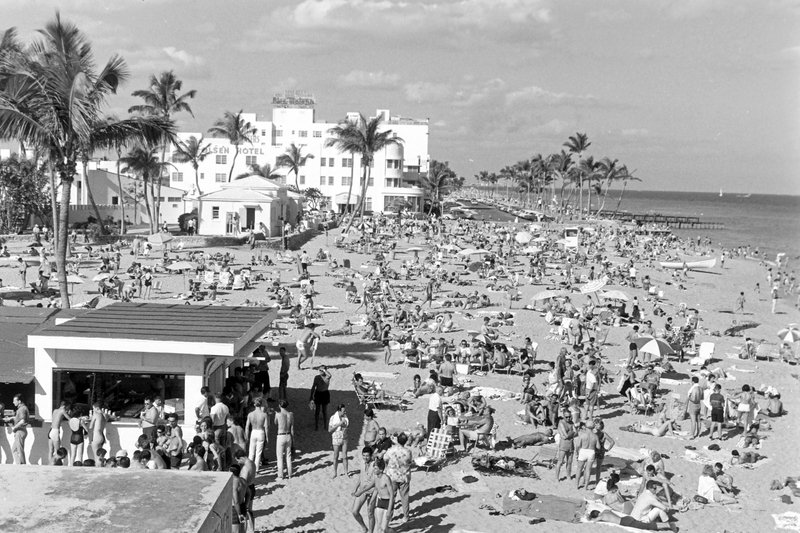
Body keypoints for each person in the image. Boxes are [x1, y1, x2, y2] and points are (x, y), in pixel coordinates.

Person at [383, 432, 412, 526]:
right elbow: (409, 462)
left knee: (392, 497)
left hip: (392, 476)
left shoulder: (391, 450)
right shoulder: (408, 452)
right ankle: (406, 516)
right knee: (405, 497)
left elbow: (385, 458)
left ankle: (390, 516)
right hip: (404, 476)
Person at [351, 446, 377, 533]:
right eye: (364, 455)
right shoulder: (362, 462)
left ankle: (370, 531)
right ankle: (364, 527)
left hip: (372, 491)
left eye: (367, 456)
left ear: (371, 455)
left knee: (370, 513)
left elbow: (374, 482)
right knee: (354, 511)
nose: (365, 458)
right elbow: (361, 475)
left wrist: (360, 491)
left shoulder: (375, 465)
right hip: (362, 489)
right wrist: (355, 487)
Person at [587, 509, 675, 531]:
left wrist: (590, 517)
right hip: (626, 518)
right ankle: (664, 525)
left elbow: (593, 521)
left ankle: (668, 525)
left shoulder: (602, 516)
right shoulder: (605, 511)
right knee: (643, 524)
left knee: (646, 526)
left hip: (624, 522)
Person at [574, 420, 599, 489]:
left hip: (583, 450)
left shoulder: (582, 434)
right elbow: (598, 447)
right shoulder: (595, 436)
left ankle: (576, 486)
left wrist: (577, 452)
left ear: (585, 426)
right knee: (588, 470)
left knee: (579, 469)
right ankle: (586, 487)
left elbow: (578, 445)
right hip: (591, 451)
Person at [246, 397, 269, 472]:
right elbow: (266, 427)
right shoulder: (264, 414)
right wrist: (267, 437)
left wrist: (246, 436)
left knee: (251, 452)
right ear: (261, 404)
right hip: (261, 431)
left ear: (254, 405)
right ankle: (256, 469)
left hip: (253, 431)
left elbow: (247, 427)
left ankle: (249, 468)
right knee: (258, 452)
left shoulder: (250, 414)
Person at [5, 394, 29, 464]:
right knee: (15, 450)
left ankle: (22, 466)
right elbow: (19, 419)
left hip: (20, 431)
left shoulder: (21, 409)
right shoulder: (22, 408)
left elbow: (22, 421)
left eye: (14, 401)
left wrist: (15, 427)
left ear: (19, 401)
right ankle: (19, 465)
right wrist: (11, 418)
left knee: (19, 451)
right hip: (21, 431)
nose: (13, 402)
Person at [555, 406, 576, 482]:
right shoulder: (561, 423)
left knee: (569, 462)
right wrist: (572, 433)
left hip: (570, 444)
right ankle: (557, 478)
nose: (568, 418)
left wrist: (569, 434)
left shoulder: (571, 422)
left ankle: (568, 476)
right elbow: (567, 435)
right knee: (560, 462)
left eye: (569, 417)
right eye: (566, 417)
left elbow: (575, 433)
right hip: (564, 444)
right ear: (563, 416)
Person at [275, 399, 294, 480]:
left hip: (281, 435)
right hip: (288, 435)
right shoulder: (291, 414)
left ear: (280, 406)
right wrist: (293, 440)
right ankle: (290, 474)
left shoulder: (278, 414)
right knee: (288, 456)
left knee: (280, 457)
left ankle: (281, 474)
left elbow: (275, 423)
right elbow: (292, 428)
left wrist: (275, 415)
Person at [330, 403, 351, 478]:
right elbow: (330, 430)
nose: (345, 412)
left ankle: (346, 472)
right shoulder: (333, 418)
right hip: (336, 438)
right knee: (336, 456)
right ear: (339, 411)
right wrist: (339, 424)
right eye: (343, 411)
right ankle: (335, 473)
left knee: (345, 456)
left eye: (345, 411)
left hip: (344, 438)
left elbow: (347, 426)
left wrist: (344, 424)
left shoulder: (345, 418)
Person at [309, 366, 332, 431]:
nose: (320, 371)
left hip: (325, 394)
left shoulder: (327, 377)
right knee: (317, 411)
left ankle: (325, 425)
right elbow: (313, 387)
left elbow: (330, 375)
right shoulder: (317, 377)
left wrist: (324, 370)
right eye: (319, 370)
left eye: (321, 370)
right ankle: (316, 425)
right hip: (318, 393)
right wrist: (311, 396)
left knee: (324, 411)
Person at [49, 400, 70, 465]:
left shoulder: (55, 410)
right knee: (57, 451)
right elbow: (69, 419)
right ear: (64, 406)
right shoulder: (63, 411)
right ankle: (58, 465)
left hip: (51, 430)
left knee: (51, 450)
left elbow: (56, 419)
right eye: (68, 407)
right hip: (55, 431)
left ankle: (50, 464)